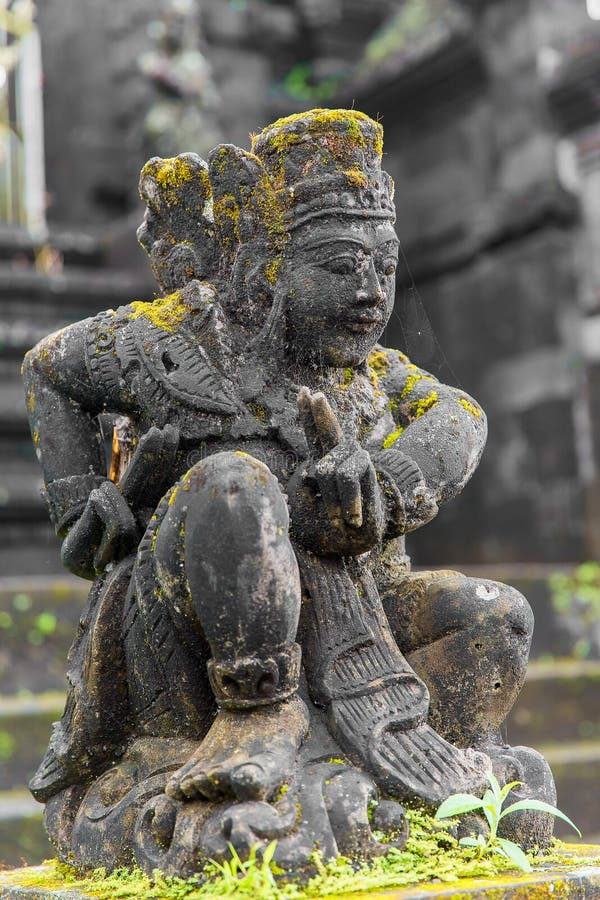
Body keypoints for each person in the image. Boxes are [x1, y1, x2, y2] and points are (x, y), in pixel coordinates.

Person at [23, 109, 555, 862]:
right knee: (236, 486)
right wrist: (90, 504)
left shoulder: (368, 379)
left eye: (385, 265)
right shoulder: (170, 345)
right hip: (196, 642)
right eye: (340, 266)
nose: (372, 291)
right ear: (267, 264)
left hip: (355, 615)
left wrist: (386, 484)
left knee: (498, 617)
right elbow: (48, 366)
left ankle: (430, 761)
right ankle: (255, 719)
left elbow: (460, 414)